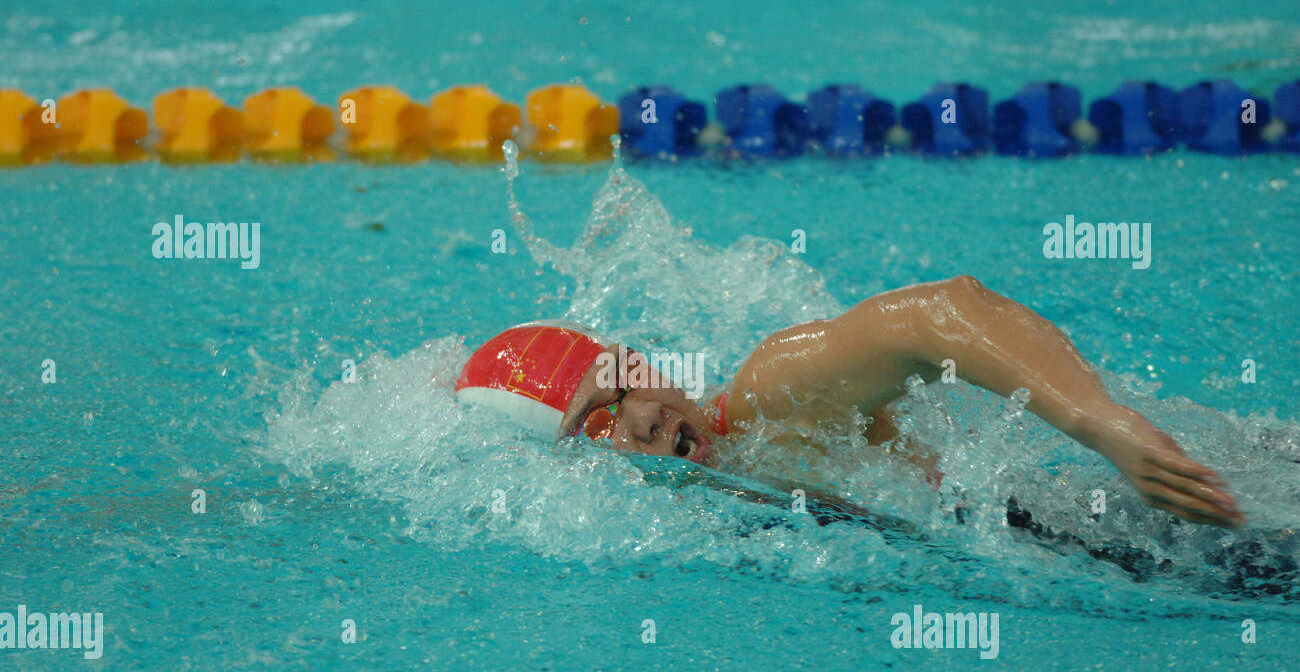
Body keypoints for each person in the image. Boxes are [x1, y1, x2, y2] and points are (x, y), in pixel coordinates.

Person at [455, 275, 1242, 529]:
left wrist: (1103, 427)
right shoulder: (708, 514)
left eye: (621, 381)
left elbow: (943, 309)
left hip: (1122, 520)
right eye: (599, 426)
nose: (640, 420)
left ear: (646, 366)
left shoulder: (769, 395)